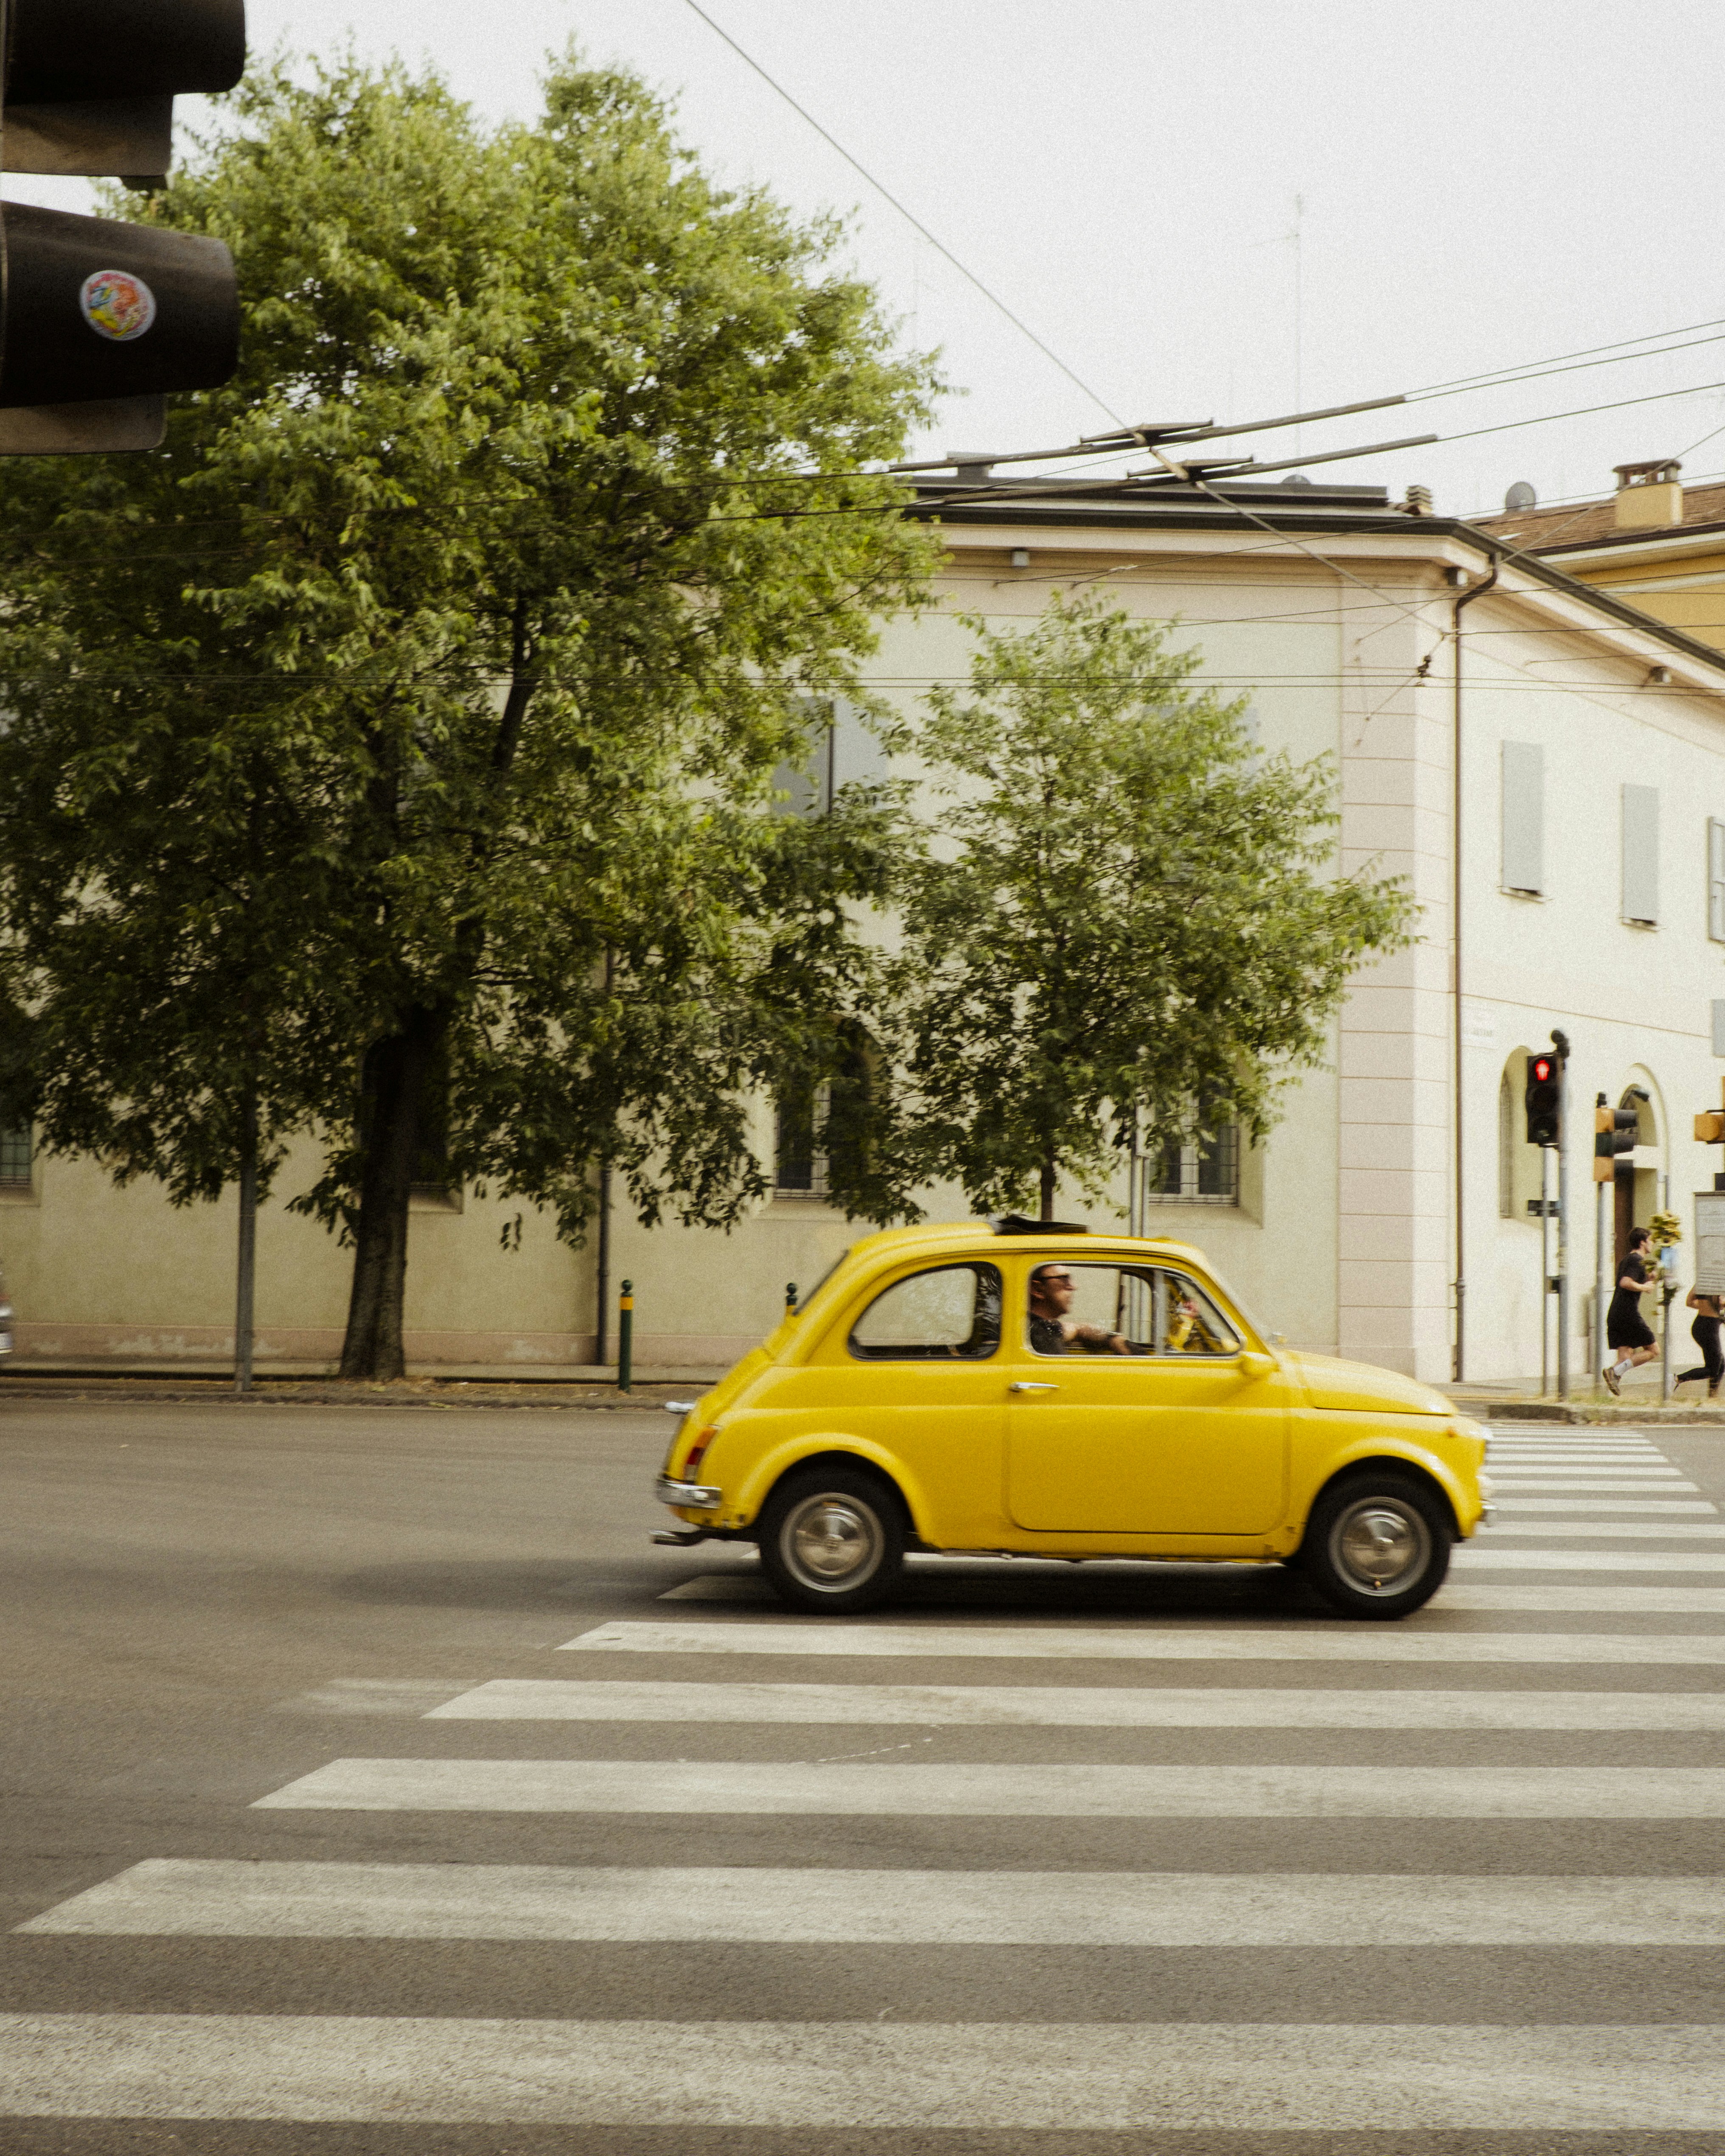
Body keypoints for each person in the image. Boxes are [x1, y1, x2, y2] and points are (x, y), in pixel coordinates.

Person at [1602, 1227, 1660, 1395]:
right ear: (1642, 1242)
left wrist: (1650, 1277)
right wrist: (1644, 1287)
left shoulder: (1628, 1260)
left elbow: (1633, 1278)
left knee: (1624, 1359)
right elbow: (1626, 1282)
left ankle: (1610, 1392)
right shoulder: (1636, 1260)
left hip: (1617, 1313)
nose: (1652, 1244)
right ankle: (1615, 1373)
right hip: (1628, 1314)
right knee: (1654, 1350)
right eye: (1650, 1240)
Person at [1027, 1264, 1130, 1356]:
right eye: (1064, 1279)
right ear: (1038, 1289)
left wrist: (1113, 1339)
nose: (1074, 1286)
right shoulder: (1038, 1336)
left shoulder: (1043, 1327)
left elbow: (1077, 1329)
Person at [1676, 1284, 1723, 1398]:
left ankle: (1713, 1396)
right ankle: (1677, 1379)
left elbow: (1689, 1302)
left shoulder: (1702, 1281)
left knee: (1720, 1364)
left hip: (1700, 1325)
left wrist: (1704, 1307)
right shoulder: (1719, 1281)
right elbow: (1721, 1302)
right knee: (1713, 1369)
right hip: (1709, 1327)